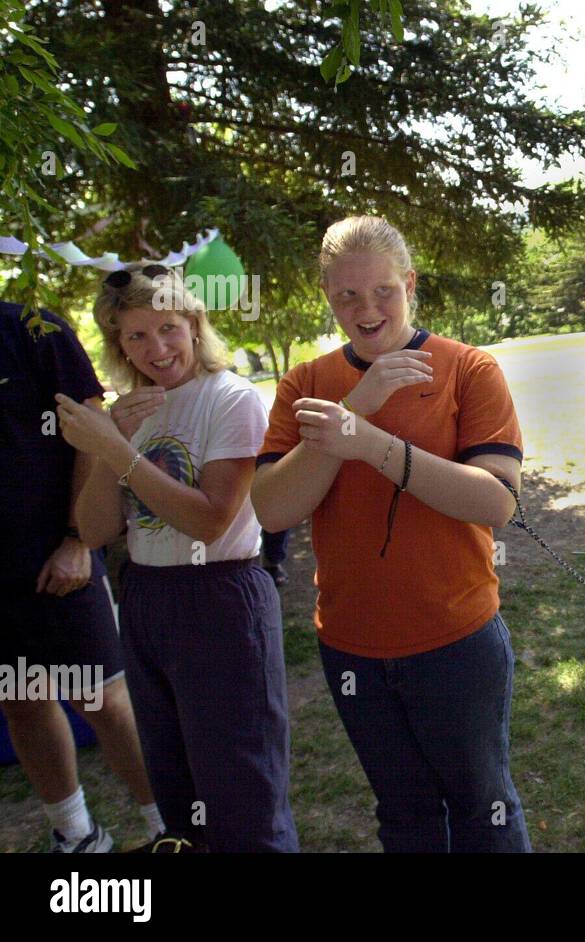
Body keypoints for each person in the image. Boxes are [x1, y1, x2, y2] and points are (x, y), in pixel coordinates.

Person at [251, 215, 530, 853]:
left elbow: (495, 502)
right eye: (347, 294)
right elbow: (272, 509)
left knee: (483, 806)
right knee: (404, 816)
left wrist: (367, 442)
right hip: (352, 646)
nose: (366, 308)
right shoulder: (306, 384)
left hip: (456, 637)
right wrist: (357, 408)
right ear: (327, 295)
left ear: (409, 284)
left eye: (383, 291)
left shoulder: (469, 369)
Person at [58, 263, 298, 852]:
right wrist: (111, 441)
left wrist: (117, 449)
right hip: (146, 598)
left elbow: (211, 519)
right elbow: (93, 530)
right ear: (118, 345)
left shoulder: (231, 397)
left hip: (221, 596)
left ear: (194, 323)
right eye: (134, 336)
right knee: (175, 786)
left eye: (167, 328)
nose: (155, 348)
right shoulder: (132, 410)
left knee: (243, 792)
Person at [0, 300, 161, 853]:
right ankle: (78, 835)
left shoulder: (32, 326)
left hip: (57, 559)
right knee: (21, 698)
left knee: (103, 698)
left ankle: (167, 827)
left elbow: (91, 425)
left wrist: (76, 540)